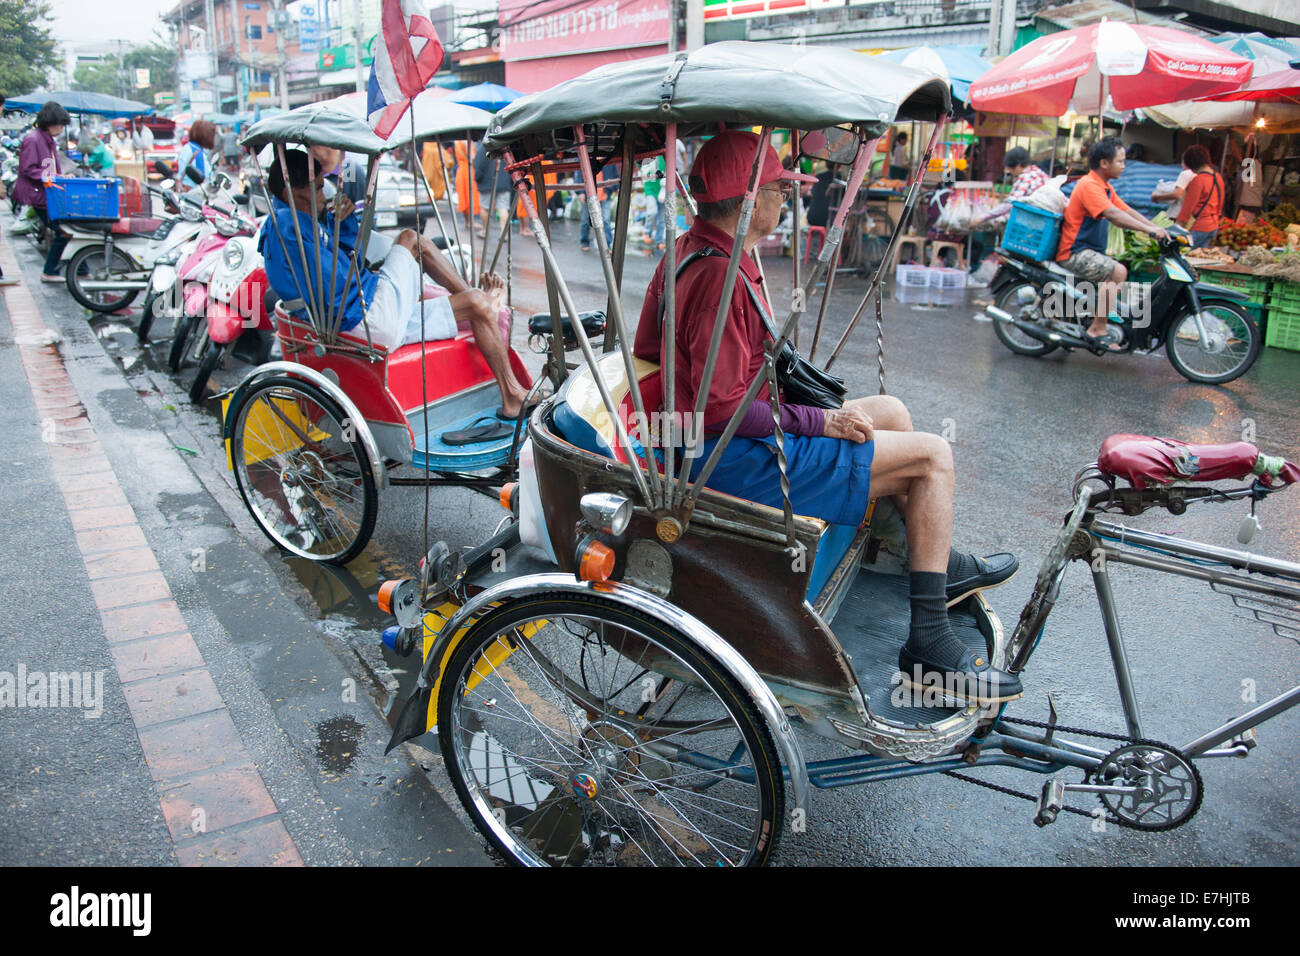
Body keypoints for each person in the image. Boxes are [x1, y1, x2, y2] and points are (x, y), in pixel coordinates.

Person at [632, 130, 1021, 704]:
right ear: (745, 201)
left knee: (891, 412)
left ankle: (914, 558)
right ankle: (928, 644)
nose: (783, 201)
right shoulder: (718, 273)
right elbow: (720, 407)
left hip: (704, 438)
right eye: (775, 191)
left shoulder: (695, 249)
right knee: (934, 456)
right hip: (723, 456)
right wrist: (817, 423)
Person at [259, 150, 529, 419]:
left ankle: (512, 396)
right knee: (411, 239)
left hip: (373, 318)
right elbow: (342, 278)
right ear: (291, 192)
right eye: (317, 189)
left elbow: (349, 258)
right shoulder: (289, 224)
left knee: (476, 305)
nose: (323, 195)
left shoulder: (300, 222)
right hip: (364, 319)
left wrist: (341, 223)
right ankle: (472, 293)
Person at [1056, 137, 1169, 352]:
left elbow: (1126, 210)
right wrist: (1149, 230)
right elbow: (1113, 214)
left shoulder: (1104, 187)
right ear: (1104, 163)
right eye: (1121, 162)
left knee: (1115, 270)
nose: (1124, 166)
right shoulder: (1090, 185)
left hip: (1087, 250)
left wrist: (1156, 228)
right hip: (1073, 252)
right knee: (1118, 271)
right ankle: (1098, 328)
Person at [15, 101, 73, 283]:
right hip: (37, 194)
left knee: (68, 230)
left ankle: (80, 269)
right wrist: (53, 177)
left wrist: (59, 176)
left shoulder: (48, 140)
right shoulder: (34, 140)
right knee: (64, 230)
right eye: (60, 124)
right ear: (50, 122)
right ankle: (49, 271)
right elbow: (28, 169)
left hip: (46, 193)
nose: (62, 128)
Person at [976, 146, 1048, 225]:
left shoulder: (1026, 178)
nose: (1010, 172)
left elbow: (1010, 204)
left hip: (1032, 222)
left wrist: (982, 218)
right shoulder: (1039, 173)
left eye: (1010, 169)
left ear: (1018, 166)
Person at [1173, 146, 1225, 249]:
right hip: (1213, 226)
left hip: (1198, 227)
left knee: (1187, 257)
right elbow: (1220, 202)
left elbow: (1187, 209)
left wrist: (1176, 228)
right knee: (1201, 258)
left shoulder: (1198, 181)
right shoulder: (1218, 177)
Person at [472, 144, 513, 241]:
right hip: (503, 180)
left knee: (485, 207)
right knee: (503, 208)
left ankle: (485, 231)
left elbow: (479, 164)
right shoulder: (506, 146)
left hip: (487, 181)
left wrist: (477, 178)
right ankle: (504, 233)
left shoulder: (485, 146)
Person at [575, 162, 618, 251]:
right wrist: (581, 192)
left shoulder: (608, 160)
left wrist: (614, 188)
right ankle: (584, 242)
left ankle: (607, 244)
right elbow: (579, 176)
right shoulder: (586, 158)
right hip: (588, 195)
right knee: (585, 220)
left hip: (604, 195)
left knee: (605, 220)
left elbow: (615, 175)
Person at [1150, 151, 1197, 221]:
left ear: (1184, 161)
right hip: (1192, 216)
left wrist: (1156, 197)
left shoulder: (1186, 174)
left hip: (1177, 215)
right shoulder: (1198, 174)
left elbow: (1176, 194)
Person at [176, 119, 215, 188]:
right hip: (194, 193)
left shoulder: (187, 147)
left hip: (184, 190)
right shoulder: (198, 154)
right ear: (205, 135)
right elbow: (202, 181)